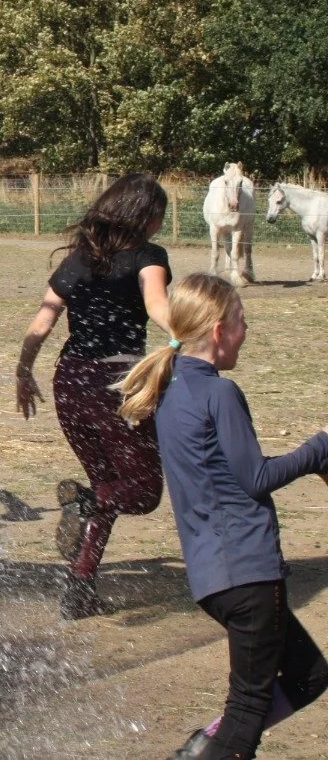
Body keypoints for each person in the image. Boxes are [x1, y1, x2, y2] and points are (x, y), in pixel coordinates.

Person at [117, 273, 328, 760]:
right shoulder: (220, 393)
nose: (246, 331)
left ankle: (201, 747)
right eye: (242, 321)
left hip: (215, 576)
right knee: (246, 716)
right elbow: (255, 478)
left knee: (309, 672)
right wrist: (318, 448)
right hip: (248, 572)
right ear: (218, 330)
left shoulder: (170, 392)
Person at [16, 173, 171, 619]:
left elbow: (43, 322)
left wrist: (24, 370)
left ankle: (81, 585)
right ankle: (85, 504)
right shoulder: (148, 255)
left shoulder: (79, 259)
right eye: (158, 213)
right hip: (116, 385)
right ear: (145, 215)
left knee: (109, 483)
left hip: (71, 383)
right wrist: (187, 336)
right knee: (141, 493)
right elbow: (158, 304)